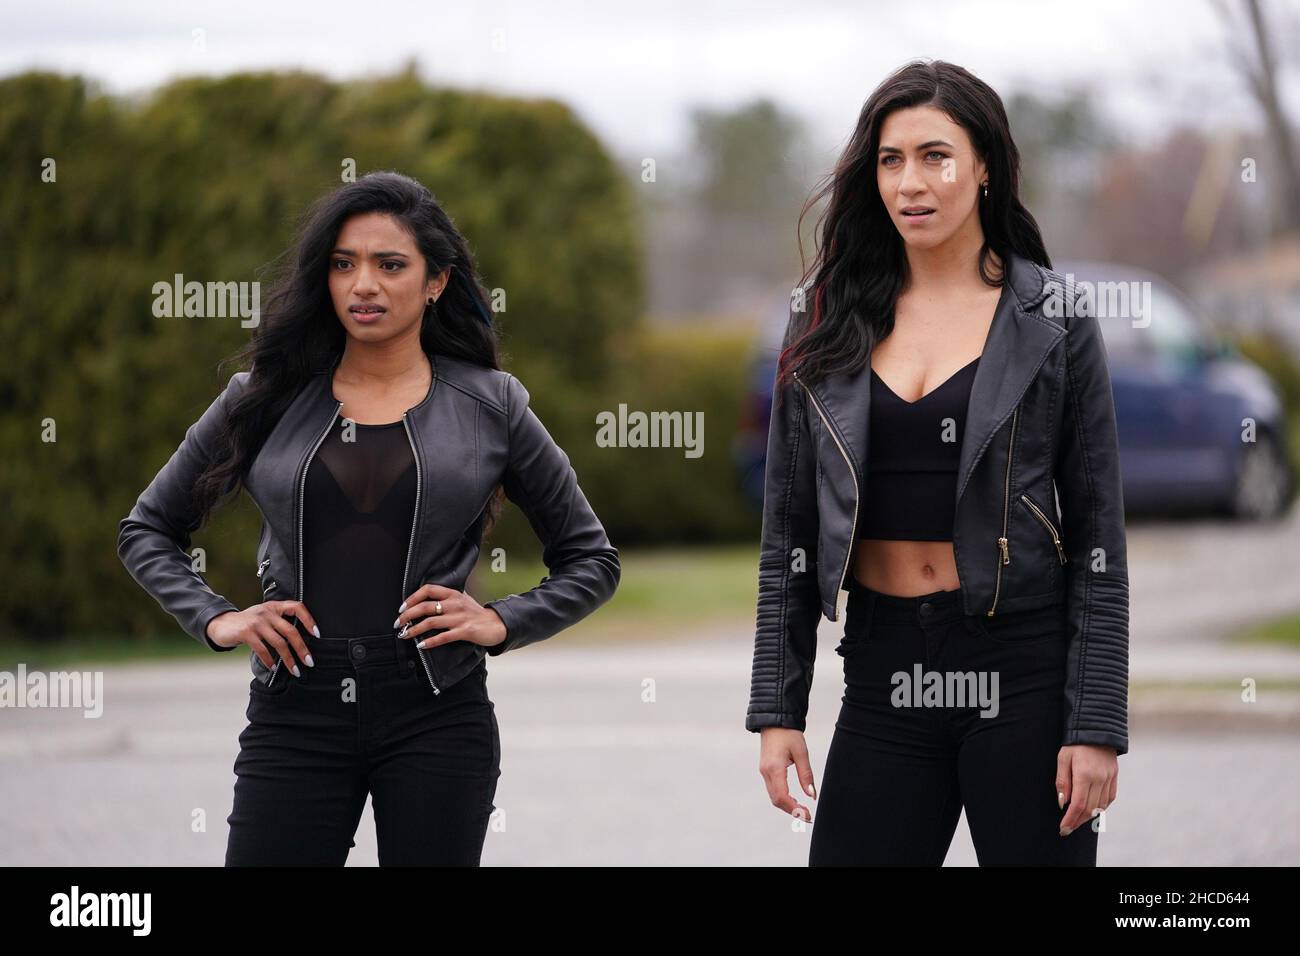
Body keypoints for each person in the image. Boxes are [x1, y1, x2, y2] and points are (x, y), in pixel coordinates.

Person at [118, 170, 620, 865]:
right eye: (344, 265)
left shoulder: (492, 404)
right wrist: (217, 618)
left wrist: (500, 621)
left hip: (436, 710)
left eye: (390, 266)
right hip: (295, 707)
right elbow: (147, 529)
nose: (363, 286)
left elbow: (592, 559)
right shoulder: (260, 398)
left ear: (437, 281)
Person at [746, 60, 1130, 866]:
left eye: (935, 156)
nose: (909, 183)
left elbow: (1099, 537)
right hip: (883, 668)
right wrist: (777, 710)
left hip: (1019, 669)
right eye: (891, 160)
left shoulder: (1053, 319)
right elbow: (787, 528)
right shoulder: (821, 318)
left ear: (984, 166)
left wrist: (1094, 724)